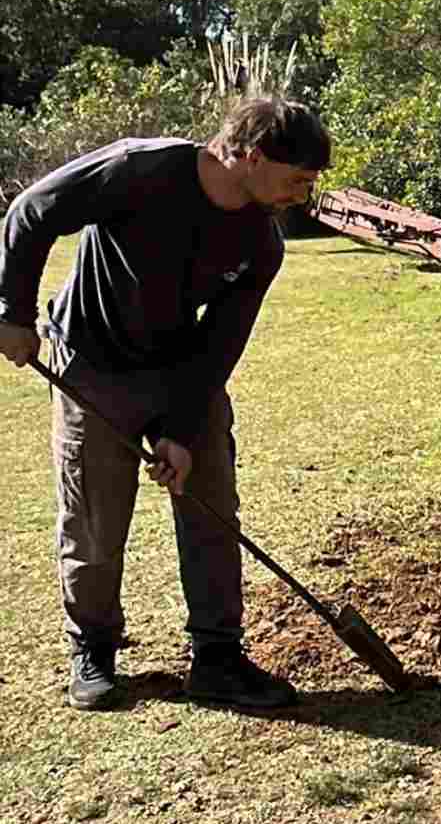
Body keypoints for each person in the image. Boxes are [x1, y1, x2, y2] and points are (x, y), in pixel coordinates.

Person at [0, 97, 330, 710]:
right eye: (297, 180)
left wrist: (180, 429)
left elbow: (220, 343)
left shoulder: (261, 242)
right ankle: (93, 649)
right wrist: (13, 314)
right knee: (94, 518)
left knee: (211, 509)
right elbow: (31, 211)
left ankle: (217, 658)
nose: (302, 196)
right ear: (253, 157)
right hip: (91, 367)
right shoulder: (137, 170)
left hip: (182, 373)